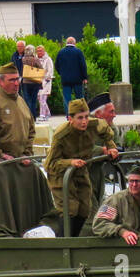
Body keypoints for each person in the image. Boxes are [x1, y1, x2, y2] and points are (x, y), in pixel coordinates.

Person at [44, 98, 97, 237]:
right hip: (61, 175)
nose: (84, 121)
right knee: (70, 209)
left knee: (85, 208)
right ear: (70, 119)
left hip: (80, 173)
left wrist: (110, 148)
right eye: (80, 118)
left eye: (86, 117)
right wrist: (70, 162)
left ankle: (73, 241)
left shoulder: (91, 127)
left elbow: (105, 132)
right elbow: (49, 165)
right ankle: (64, 244)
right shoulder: (61, 135)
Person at [91, 167, 140, 244]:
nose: (134, 185)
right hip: (120, 248)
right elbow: (99, 224)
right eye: (131, 181)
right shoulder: (116, 200)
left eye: (138, 181)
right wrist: (122, 232)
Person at [0, 64, 35, 158]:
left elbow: (31, 129)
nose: (16, 83)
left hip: (22, 160)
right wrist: (0, 154)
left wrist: (27, 153)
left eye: (18, 79)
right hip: (0, 162)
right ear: (0, 81)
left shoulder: (21, 101)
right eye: (12, 80)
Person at [85, 92, 121, 201]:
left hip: (98, 174)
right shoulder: (85, 127)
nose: (114, 115)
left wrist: (116, 152)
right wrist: (102, 151)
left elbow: (117, 146)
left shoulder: (111, 128)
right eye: (111, 112)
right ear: (98, 114)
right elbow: (81, 148)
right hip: (82, 176)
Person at [55, 35, 88, 111]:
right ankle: (80, 113)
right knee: (79, 98)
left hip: (65, 79)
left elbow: (57, 65)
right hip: (78, 79)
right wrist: (85, 77)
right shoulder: (78, 52)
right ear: (74, 43)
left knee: (67, 99)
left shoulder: (61, 52)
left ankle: (69, 115)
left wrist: (61, 73)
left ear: (66, 43)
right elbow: (83, 65)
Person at [20, 43, 44, 117]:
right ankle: (33, 116)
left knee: (27, 99)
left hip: (25, 81)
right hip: (35, 81)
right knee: (33, 100)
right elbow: (41, 68)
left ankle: (28, 115)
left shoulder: (23, 59)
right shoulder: (35, 59)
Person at [36, 44, 55, 120]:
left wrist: (47, 78)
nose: (39, 52)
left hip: (46, 81)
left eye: (41, 51)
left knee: (43, 98)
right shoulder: (36, 59)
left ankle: (42, 115)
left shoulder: (48, 59)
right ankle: (47, 113)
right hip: (37, 81)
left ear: (44, 51)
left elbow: (50, 70)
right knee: (39, 99)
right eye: (38, 51)